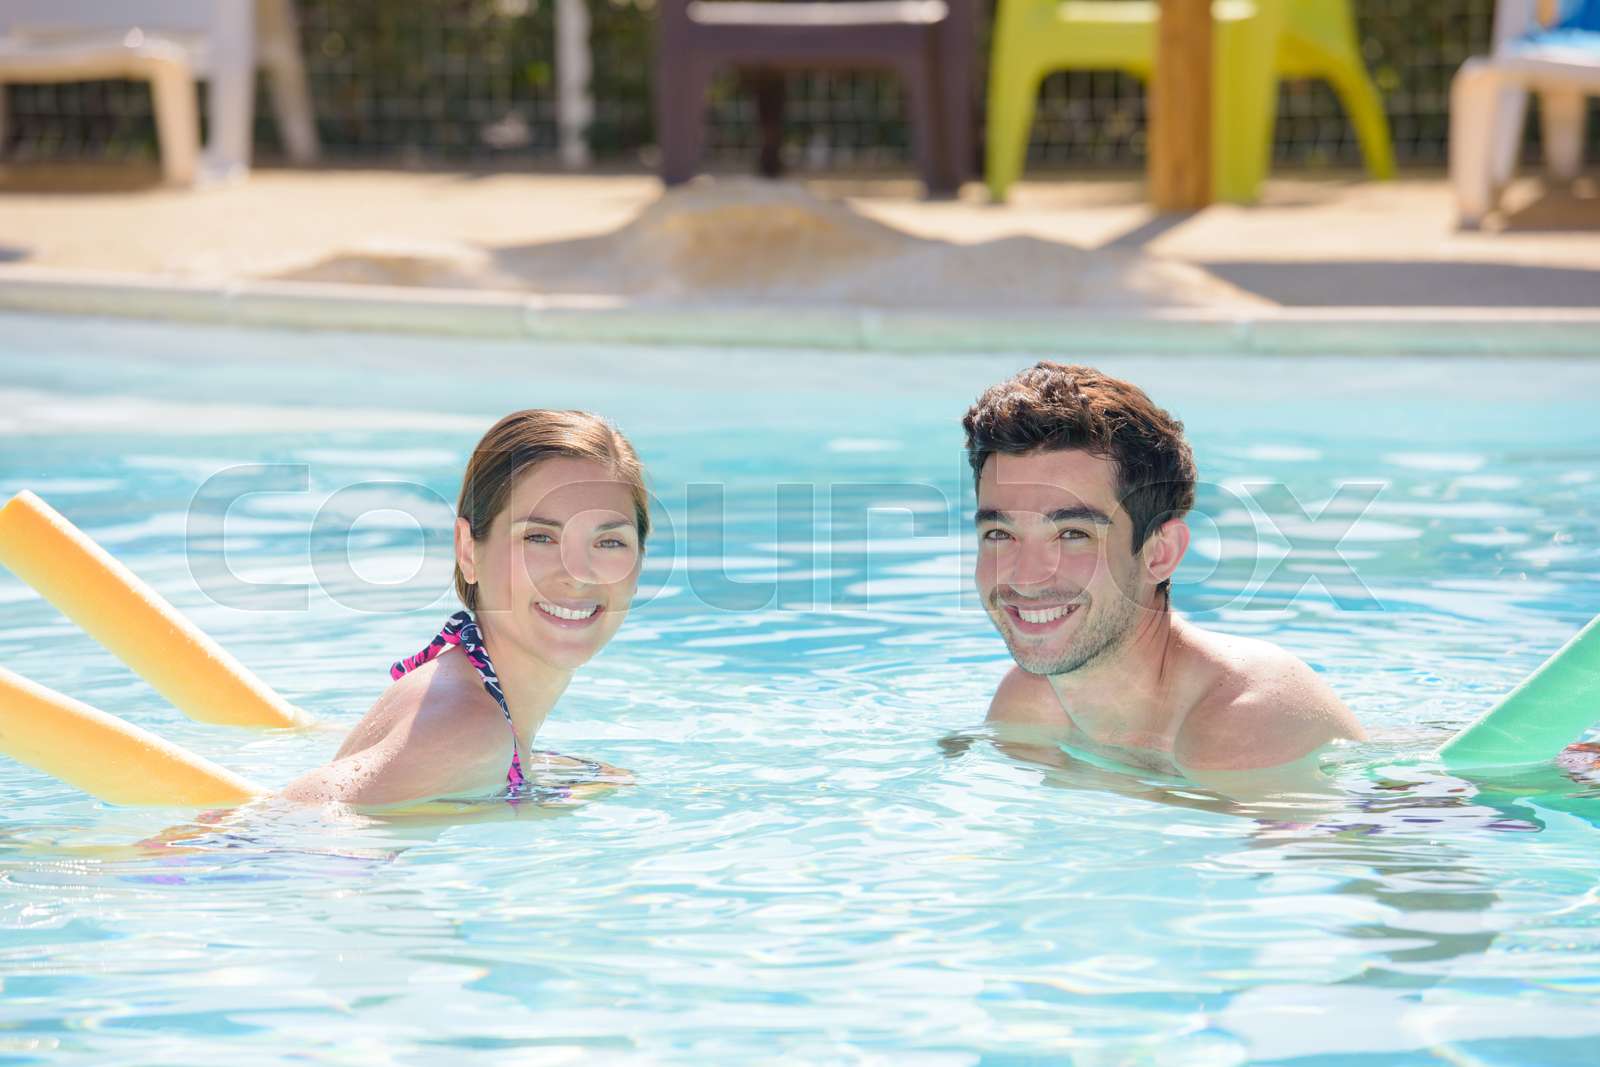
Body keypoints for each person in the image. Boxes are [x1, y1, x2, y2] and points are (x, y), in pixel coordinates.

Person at [964, 362, 1366, 792]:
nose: (1026, 576)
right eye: (1000, 534)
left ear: (1161, 553)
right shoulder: (1031, 704)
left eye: (1073, 534)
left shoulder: (1242, 724)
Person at [282, 409, 648, 808]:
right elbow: (292, 820)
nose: (578, 574)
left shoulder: (464, 683)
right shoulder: (469, 730)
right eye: (539, 537)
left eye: (610, 542)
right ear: (468, 550)